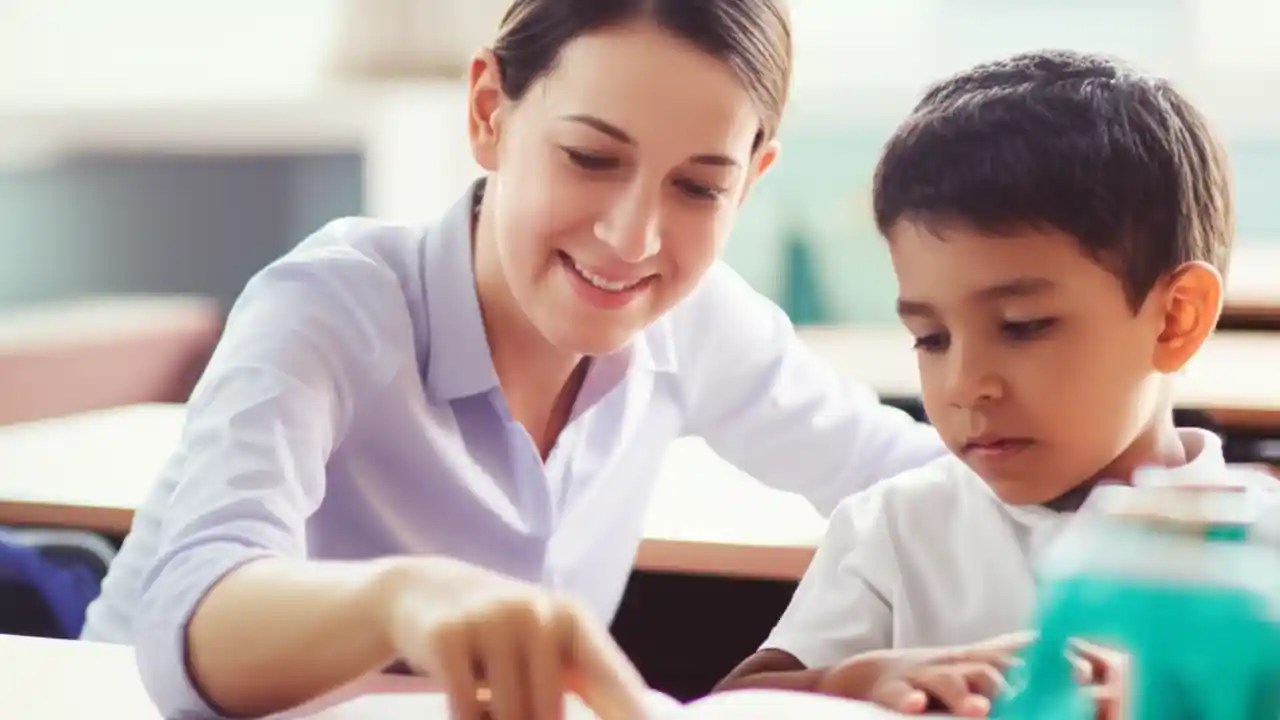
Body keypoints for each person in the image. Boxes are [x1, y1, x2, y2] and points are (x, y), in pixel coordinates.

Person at [80, 1, 945, 718]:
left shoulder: (700, 322)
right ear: (489, 114)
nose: (631, 238)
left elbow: (912, 479)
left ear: (751, 180)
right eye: (590, 158)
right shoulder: (328, 307)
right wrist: (402, 600)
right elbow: (185, 616)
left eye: (698, 187)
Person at [718, 49, 1276, 717]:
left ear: (1173, 320)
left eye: (1022, 327)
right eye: (930, 339)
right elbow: (733, 706)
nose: (965, 385)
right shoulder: (900, 527)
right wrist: (857, 681)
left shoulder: (1257, 554)